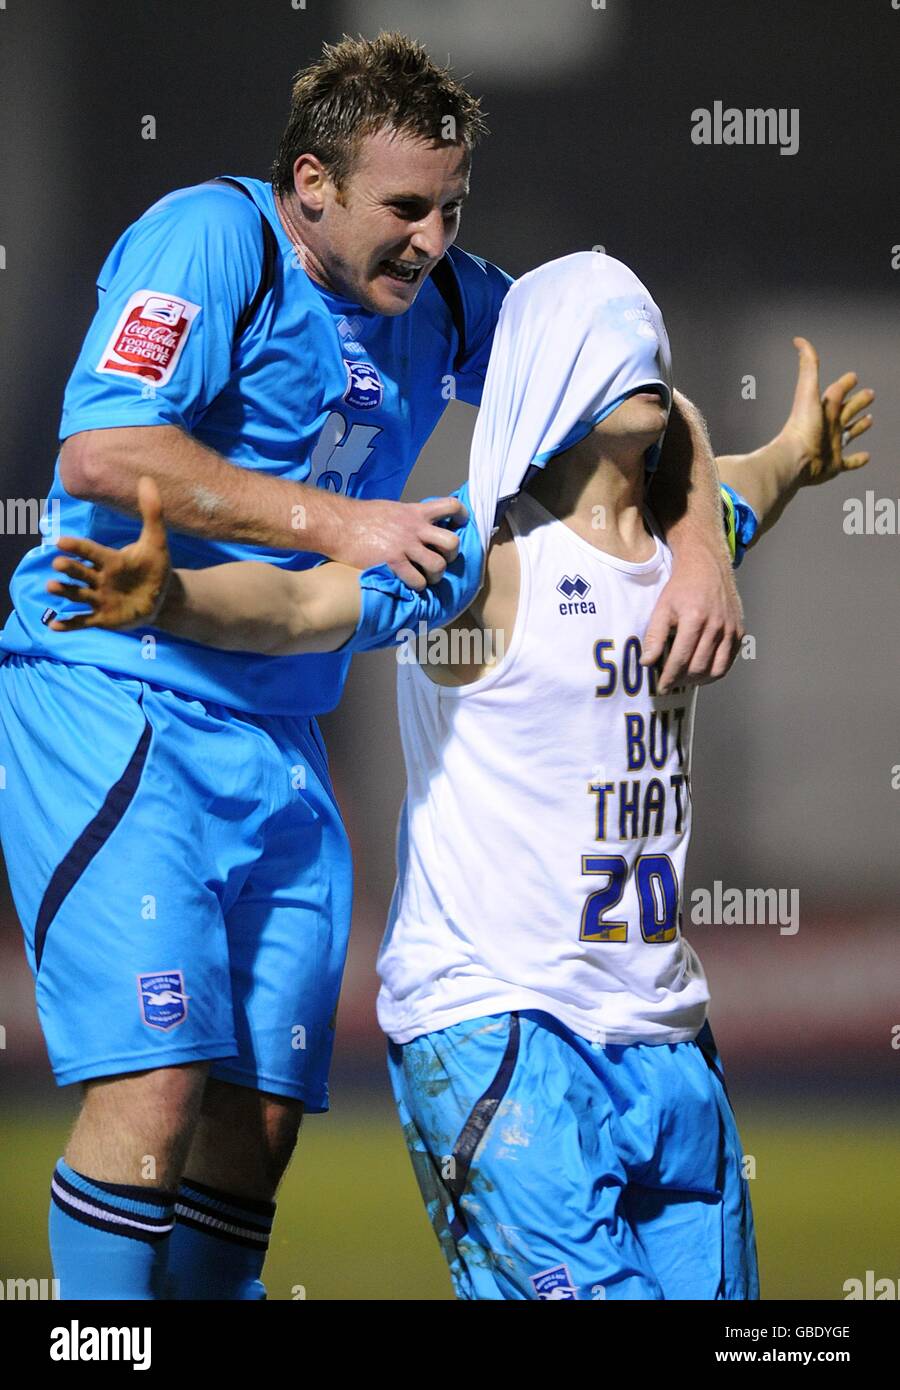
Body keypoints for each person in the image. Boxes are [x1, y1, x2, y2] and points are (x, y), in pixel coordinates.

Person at [42, 252, 874, 1301]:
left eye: (646, 338)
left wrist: (799, 449)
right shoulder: (482, 556)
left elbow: (748, 479)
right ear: (548, 379)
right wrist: (174, 598)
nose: (637, 355)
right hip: (501, 1030)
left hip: (667, 1041)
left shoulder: (684, 557)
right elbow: (307, 607)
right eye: (602, 340)